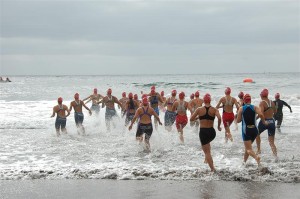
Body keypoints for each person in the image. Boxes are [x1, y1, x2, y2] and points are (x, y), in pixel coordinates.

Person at [190, 93, 222, 172]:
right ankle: (206, 159)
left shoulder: (199, 109)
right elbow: (219, 118)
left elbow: (191, 119)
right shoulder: (214, 109)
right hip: (212, 132)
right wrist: (218, 126)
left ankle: (212, 169)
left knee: (207, 152)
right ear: (210, 100)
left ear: (204, 101)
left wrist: (199, 117)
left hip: (203, 132)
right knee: (208, 145)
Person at [236, 94, 267, 166]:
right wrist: (264, 122)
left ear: (244, 100)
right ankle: (244, 162)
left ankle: (256, 158)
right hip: (254, 131)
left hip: (246, 130)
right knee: (248, 148)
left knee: (248, 149)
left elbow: (238, 121)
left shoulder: (241, 108)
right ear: (250, 100)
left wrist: (239, 117)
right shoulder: (255, 107)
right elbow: (261, 115)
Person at [256, 89, 278, 160]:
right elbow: (275, 111)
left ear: (262, 95)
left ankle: (259, 150)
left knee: (257, 133)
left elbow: (260, 114)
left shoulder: (262, 103)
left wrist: (255, 119)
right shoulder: (272, 102)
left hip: (264, 121)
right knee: (271, 142)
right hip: (272, 121)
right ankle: (276, 157)